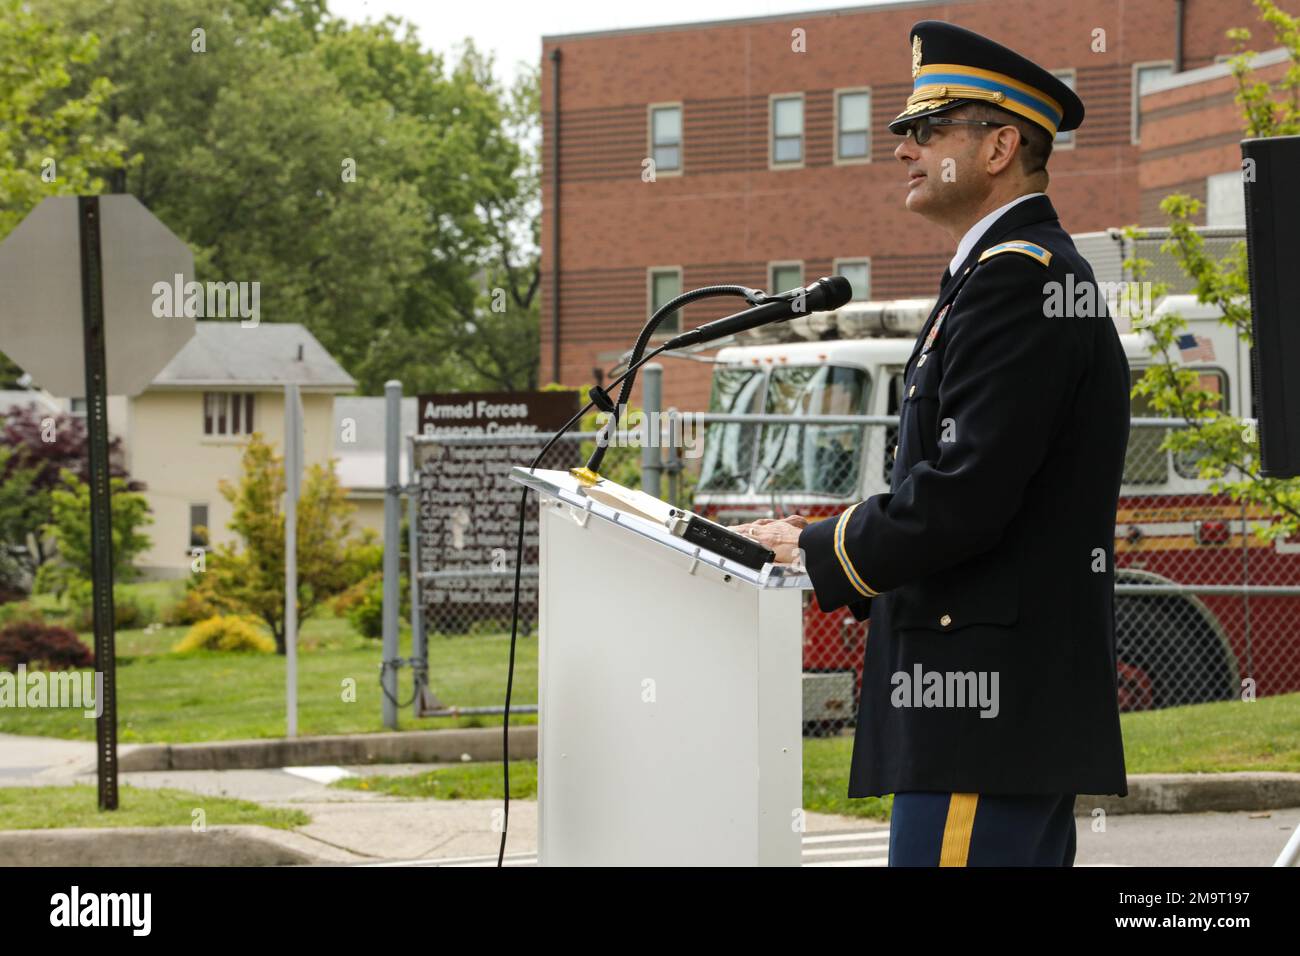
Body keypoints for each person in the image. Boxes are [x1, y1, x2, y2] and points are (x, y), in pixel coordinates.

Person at [736, 20, 1131, 867]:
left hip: (981, 714)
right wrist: (825, 541)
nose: (904, 149)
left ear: (1000, 147)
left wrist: (815, 548)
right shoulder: (998, 276)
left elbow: (966, 495)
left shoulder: (1022, 279)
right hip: (990, 712)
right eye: (903, 132)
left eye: (928, 129)